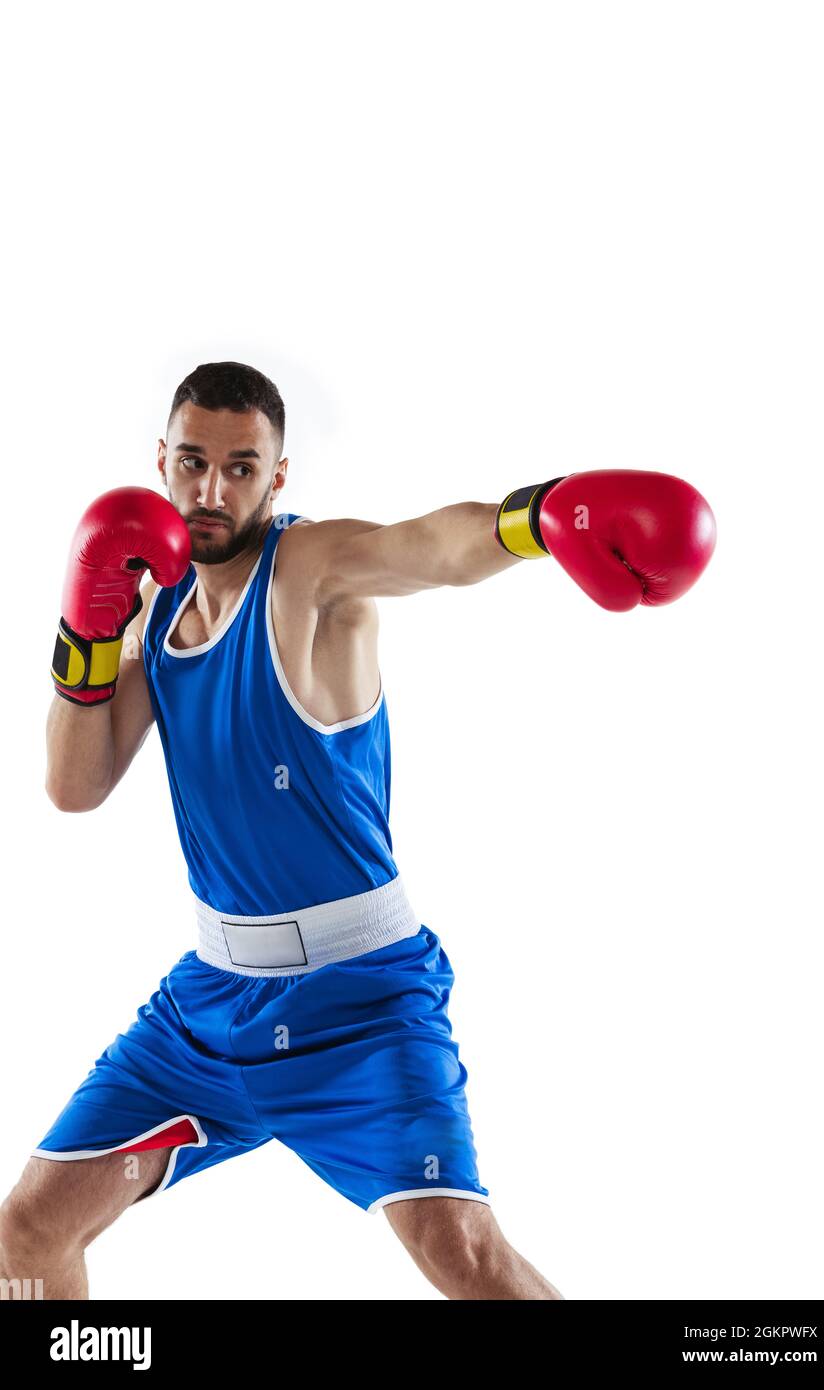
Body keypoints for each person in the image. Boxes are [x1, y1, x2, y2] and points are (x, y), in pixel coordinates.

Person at [0, 361, 714, 1301]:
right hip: (209, 1007)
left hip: (359, 1000)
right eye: (194, 462)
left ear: (276, 478)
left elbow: (427, 548)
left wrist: (540, 517)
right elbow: (73, 786)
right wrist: (87, 636)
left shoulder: (309, 572)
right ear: (161, 461)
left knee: (465, 1256)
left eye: (241, 469)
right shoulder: (152, 598)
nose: (211, 492)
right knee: (29, 1230)